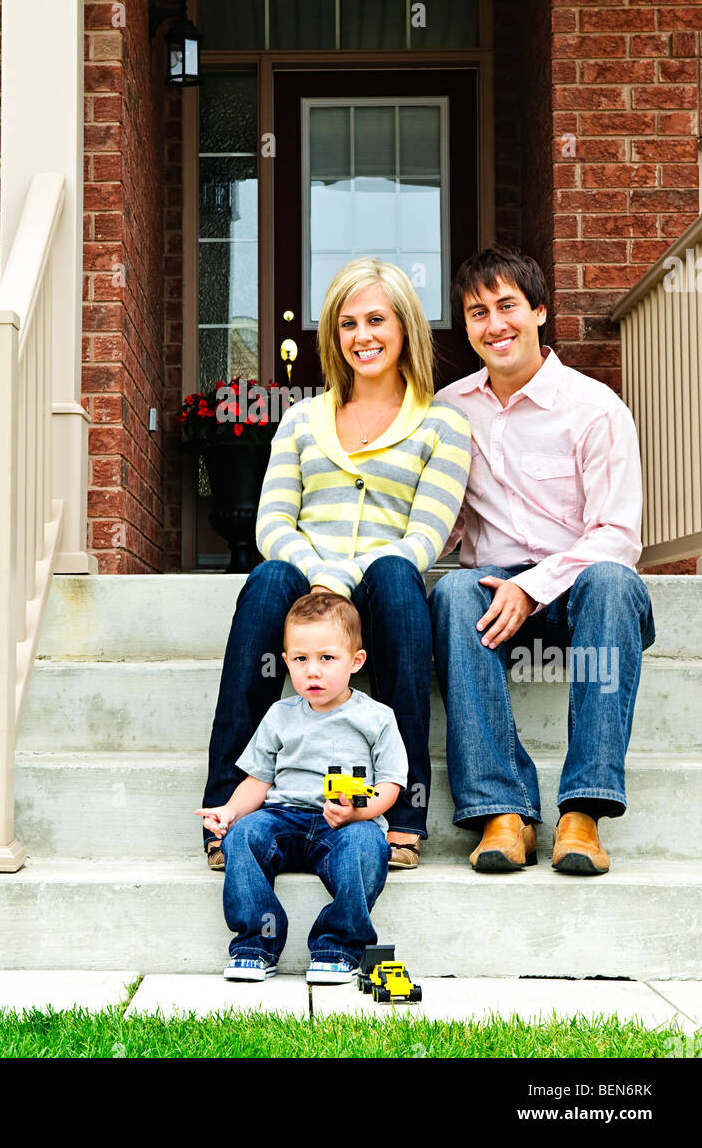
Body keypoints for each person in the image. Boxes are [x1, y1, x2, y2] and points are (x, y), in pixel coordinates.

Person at [200, 257, 471, 871]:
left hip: (382, 594)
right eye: (348, 323)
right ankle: (227, 807)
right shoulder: (301, 419)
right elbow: (273, 522)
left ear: (404, 327)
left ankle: (401, 817)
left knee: (401, 579)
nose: (362, 336)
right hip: (306, 593)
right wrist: (319, 572)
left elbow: (426, 535)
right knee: (269, 577)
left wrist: (348, 576)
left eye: (377, 319)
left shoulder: (443, 424)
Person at [430, 245, 656, 876]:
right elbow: (441, 520)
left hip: (582, 595)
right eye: (478, 312)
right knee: (450, 594)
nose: (494, 324)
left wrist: (533, 586)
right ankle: (503, 813)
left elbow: (617, 534)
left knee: (614, 581)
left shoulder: (595, 408)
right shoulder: (449, 411)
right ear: (468, 326)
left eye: (508, 306)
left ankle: (582, 813)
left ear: (539, 313)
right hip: (494, 602)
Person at [196, 592, 408, 982]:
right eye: (300, 659)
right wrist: (228, 811)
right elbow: (258, 780)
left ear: (355, 661)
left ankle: (337, 947)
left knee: (367, 846)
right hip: (282, 817)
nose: (313, 671)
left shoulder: (376, 718)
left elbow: (391, 785)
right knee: (242, 836)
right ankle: (256, 944)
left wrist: (359, 812)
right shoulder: (280, 715)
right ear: (286, 662)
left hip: (346, 824)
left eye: (327, 658)